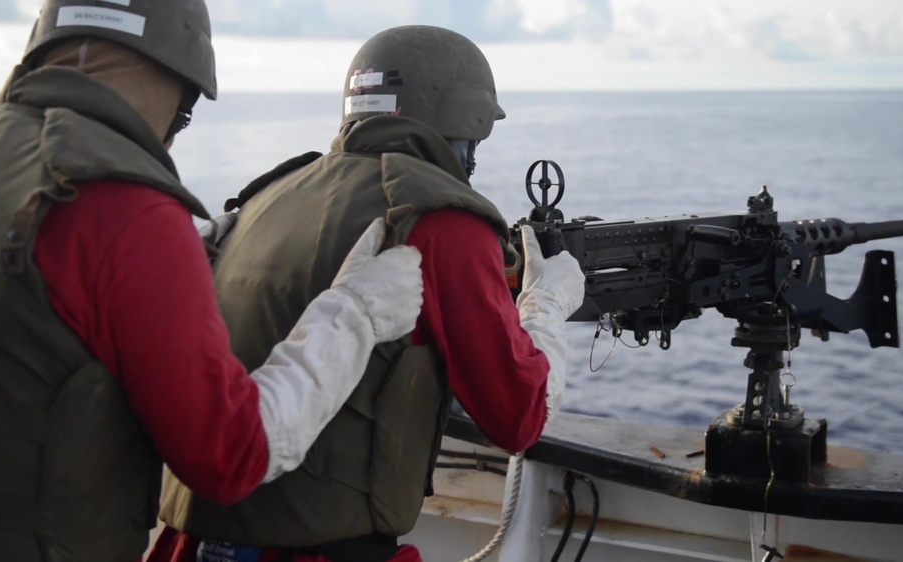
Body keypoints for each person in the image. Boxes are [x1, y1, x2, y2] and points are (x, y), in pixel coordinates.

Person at [0, 2, 424, 561]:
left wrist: (186, 248)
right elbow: (230, 455)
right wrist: (353, 314)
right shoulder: (127, 206)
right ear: (182, 90)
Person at [151, 25, 586, 562]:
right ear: (465, 125)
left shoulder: (268, 195)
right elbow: (518, 417)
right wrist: (545, 310)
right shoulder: (442, 221)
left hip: (185, 545)